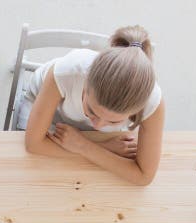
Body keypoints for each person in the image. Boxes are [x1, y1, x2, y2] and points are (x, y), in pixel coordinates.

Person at [18, 25, 164, 185]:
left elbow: (144, 176)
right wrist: (104, 148)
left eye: (114, 121)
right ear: (85, 84)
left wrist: (84, 146)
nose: (98, 125)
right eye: (91, 111)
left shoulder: (152, 101)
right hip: (43, 104)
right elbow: (33, 144)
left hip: (79, 140)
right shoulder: (65, 72)